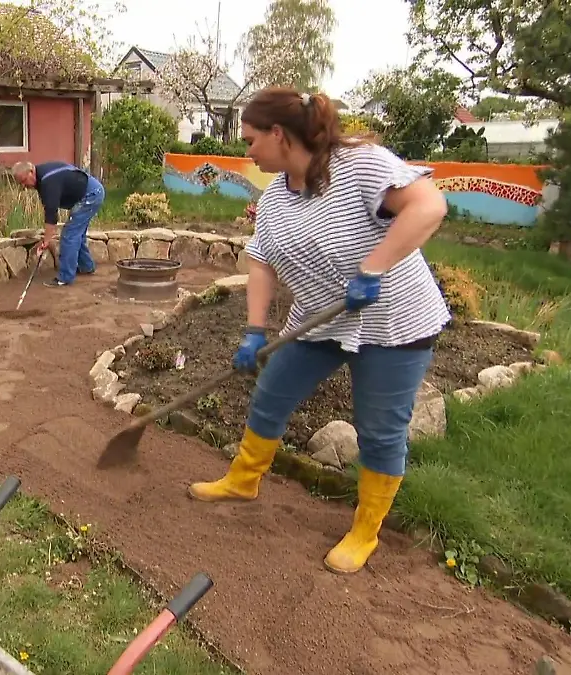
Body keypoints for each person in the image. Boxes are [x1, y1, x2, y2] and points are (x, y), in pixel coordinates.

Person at [187, 88, 452, 574]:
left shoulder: (359, 165)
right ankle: (243, 480)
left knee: (379, 430)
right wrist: (253, 330)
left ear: (278, 134)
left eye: (250, 140)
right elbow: (261, 262)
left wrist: (373, 268)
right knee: (271, 392)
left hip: (393, 323)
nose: (247, 151)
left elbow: (429, 207)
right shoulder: (274, 198)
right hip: (321, 318)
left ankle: (365, 531)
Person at [10, 160, 106, 287]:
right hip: (90, 191)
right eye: (20, 183)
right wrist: (47, 238)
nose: (24, 186)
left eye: (24, 180)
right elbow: (49, 207)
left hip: (91, 194)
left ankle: (65, 277)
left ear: (31, 172)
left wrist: (46, 240)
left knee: (69, 235)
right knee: (77, 233)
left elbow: (51, 214)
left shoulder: (48, 181)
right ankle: (86, 267)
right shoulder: (42, 177)